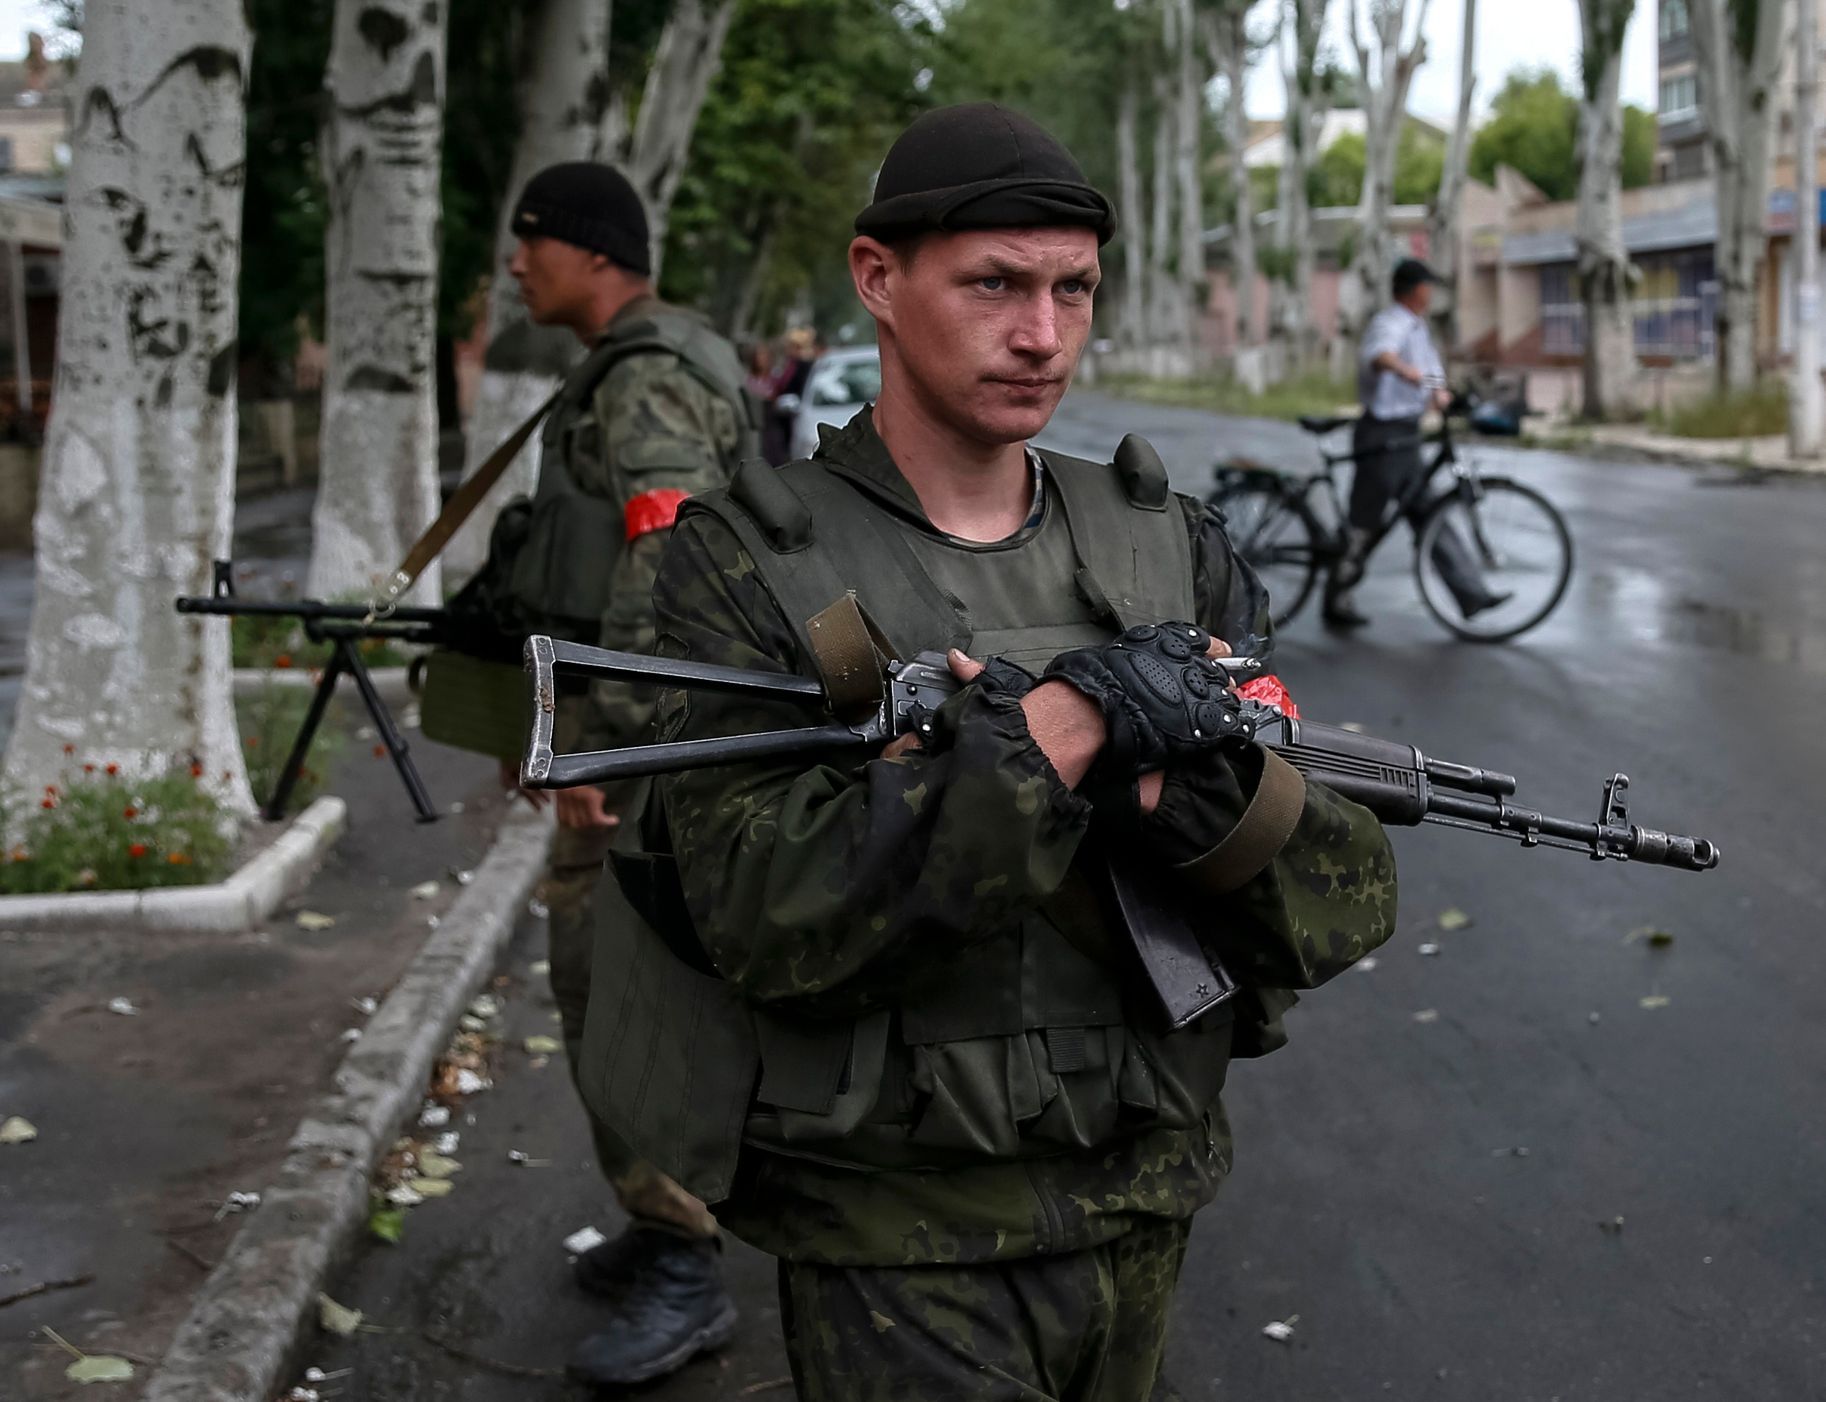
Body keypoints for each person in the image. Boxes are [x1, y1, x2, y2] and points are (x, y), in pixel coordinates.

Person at [575, 105, 1398, 1400]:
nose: (1042, 334)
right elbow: (757, 914)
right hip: (894, 1233)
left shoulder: (1166, 548)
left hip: (1144, 1187)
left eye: (1073, 289)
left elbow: (1333, 906)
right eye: (995, 285)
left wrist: (1177, 798)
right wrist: (1055, 735)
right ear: (876, 279)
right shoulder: (747, 562)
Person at [462, 160, 754, 1386]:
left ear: (587, 250)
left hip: (642, 747)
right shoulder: (644, 361)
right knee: (623, 984)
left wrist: (616, 744)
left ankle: (684, 1251)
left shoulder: (641, 383)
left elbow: (666, 551)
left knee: (610, 992)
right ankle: (657, 1224)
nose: (515, 266)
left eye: (528, 243)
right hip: (647, 733)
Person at [1324, 256, 1509, 629]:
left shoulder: (1418, 329)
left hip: (1405, 433)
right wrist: (1410, 375)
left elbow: (1431, 378)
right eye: (1428, 285)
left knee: (1427, 513)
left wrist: (1441, 394)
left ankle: (1470, 593)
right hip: (1383, 432)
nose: (1431, 292)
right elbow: (1380, 356)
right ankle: (1337, 593)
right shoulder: (1391, 322)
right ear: (1414, 289)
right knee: (1368, 522)